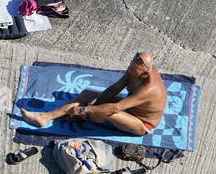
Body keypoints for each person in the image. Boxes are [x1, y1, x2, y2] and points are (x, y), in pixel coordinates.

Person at [19, 51, 165, 136]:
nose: (129, 71)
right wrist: (94, 103)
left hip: (142, 123)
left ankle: (80, 116)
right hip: (129, 107)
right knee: (88, 95)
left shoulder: (149, 89)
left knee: (108, 112)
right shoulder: (135, 69)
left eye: (133, 70)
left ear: (145, 74)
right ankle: (44, 117)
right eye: (130, 67)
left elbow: (114, 109)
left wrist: (85, 110)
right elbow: (114, 89)